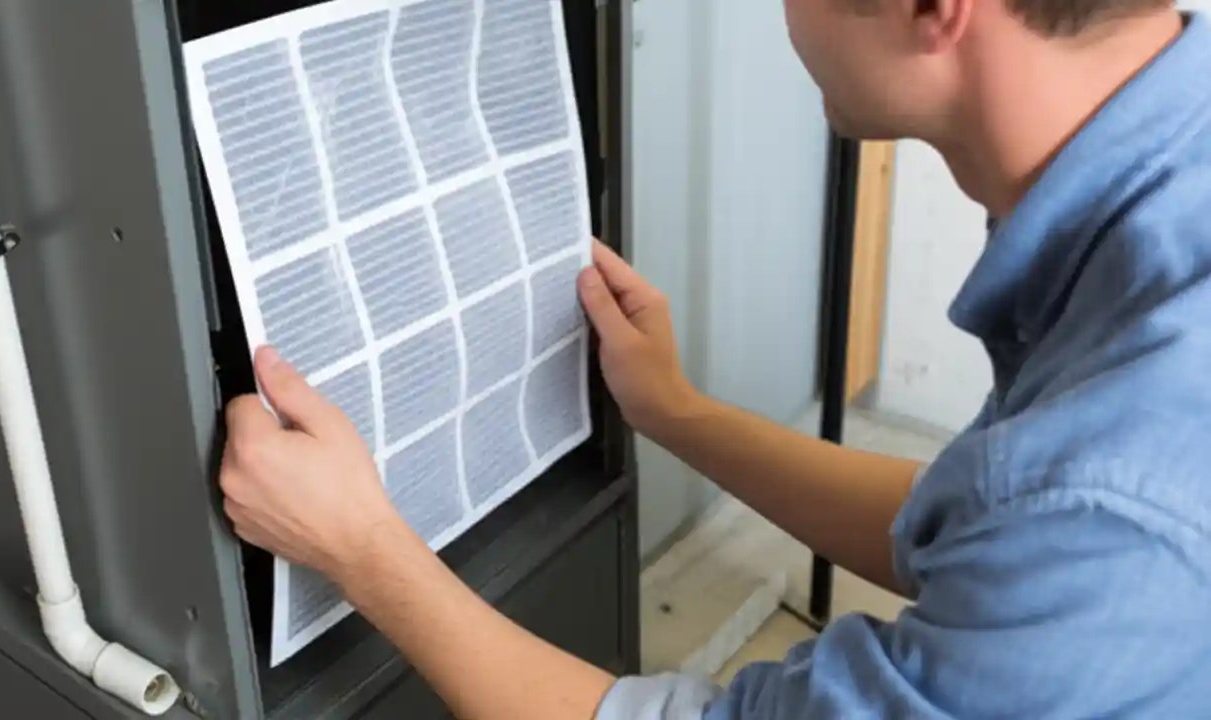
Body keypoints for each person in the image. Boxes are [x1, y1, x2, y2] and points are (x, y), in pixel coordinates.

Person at [219, 0, 1211, 715]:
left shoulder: (1109, 502)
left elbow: (1062, 516)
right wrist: (674, 414)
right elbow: (983, 527)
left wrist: (362, 551)